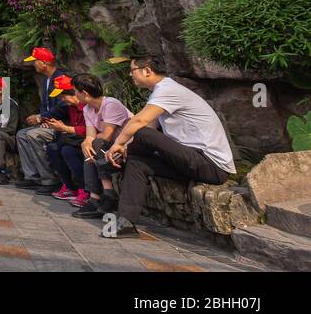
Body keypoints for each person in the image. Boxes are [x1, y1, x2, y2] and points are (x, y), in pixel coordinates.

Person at [103, 54, 235, 238]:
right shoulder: (160, 93)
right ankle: (126, 222)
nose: (130, 75)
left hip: (211, 165)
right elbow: (150, 125)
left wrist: (118, 143)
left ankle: (114, 165)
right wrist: (125, 148)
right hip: (188, 162)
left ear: (147, 70)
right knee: (138, 162)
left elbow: (140, 122)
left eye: (132, 71)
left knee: (140, 133)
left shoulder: (168, 90)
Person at [68, 74, 132, 219]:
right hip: (107, 148)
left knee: (96, 144)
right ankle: (97, 197)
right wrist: (86, 142)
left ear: (84, 93)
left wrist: (90, 141)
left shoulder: (111, 104)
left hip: (126, 147)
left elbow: (107, 135)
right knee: (89, 146)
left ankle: (103, 196)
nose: (75, 94)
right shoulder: (87, 109)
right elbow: (90, 135)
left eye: (75, 91)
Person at [13, 47, 67, 189]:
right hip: (47, 123)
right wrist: (42, 119)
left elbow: (64, 106)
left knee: (32, 135)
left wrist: (42, 118)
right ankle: (32, 176)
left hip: (60, 124)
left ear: (44, 63)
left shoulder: (61, 78)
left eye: (35, 61)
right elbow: (44, 105)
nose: (33, 64)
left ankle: (49, 180)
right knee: (21, 134)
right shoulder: (46, 80)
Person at [39, 74, 88, 201]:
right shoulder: (70, 107)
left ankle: (84, 189)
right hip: (73, 137)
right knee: (53, 148)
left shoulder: (87, 106)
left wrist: (64, 128)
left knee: (68, 151)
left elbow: (88, 129)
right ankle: (69, 186)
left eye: (63, 96)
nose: (62, 99)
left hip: (86, 139)